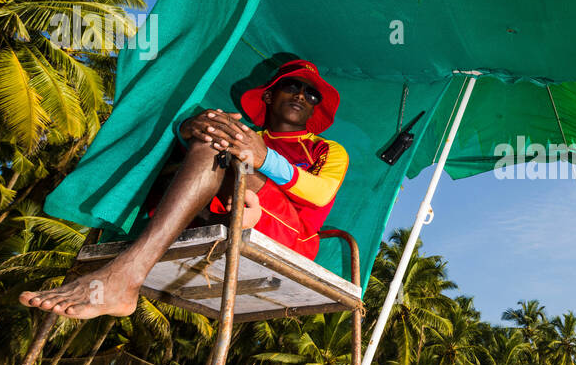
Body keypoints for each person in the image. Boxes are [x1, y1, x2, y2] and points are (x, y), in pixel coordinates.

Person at [20, 59, 348, 318]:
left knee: (225, 144)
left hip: (293, 236)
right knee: (215, 136)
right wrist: (189, 127)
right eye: (292, 86)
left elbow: (321, 195)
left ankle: (125, 276)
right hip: (227, 209)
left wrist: (263, 159)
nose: (301, 96)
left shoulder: (327, 150)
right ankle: (131, 273)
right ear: (268, 95)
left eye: (311, 94)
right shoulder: (245, 134)